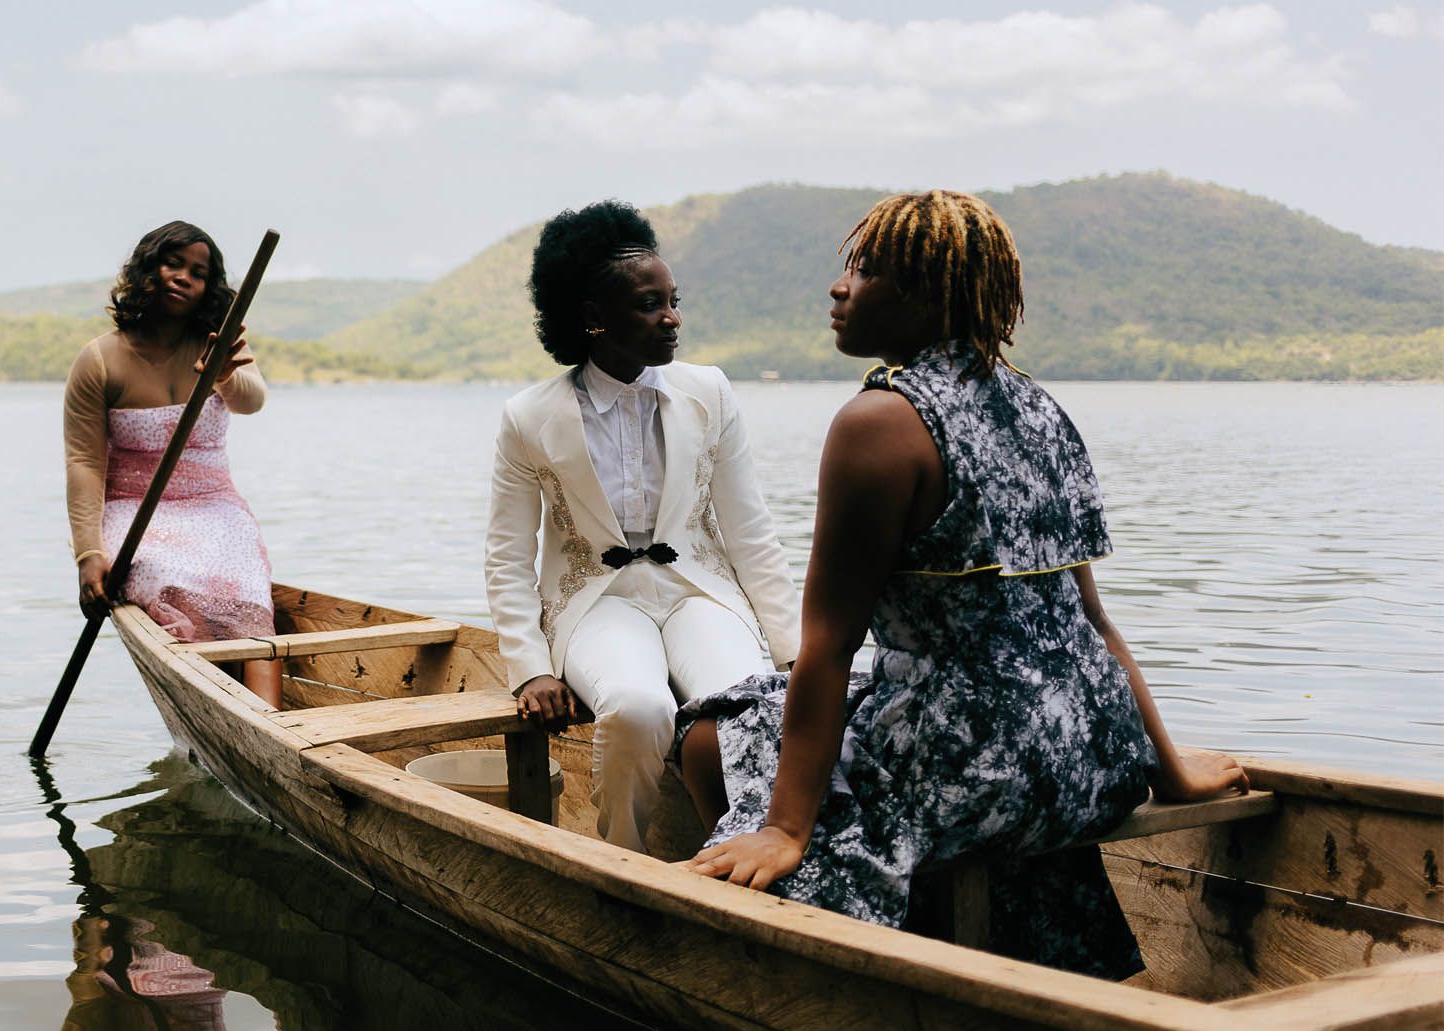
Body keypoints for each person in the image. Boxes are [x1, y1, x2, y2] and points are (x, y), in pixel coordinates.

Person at [677, 190, 1248, 978]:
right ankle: (958, 940)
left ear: (929, 295)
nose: (840, 286)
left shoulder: (878, 421)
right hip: (1095, 756)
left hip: (976, 765)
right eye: (848, 267)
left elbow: (829, 645)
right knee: (812, 713)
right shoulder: (1040, 409)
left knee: (713, 732)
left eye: (868, 271)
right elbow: (1092, 621)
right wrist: (1170, 771)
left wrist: (785, 828)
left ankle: (782, 961)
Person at [485, 200, 803, 854]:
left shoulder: (709, 393)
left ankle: (746, 857)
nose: (672, 317)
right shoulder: (528, 417)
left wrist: (794, 651)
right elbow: (508, 556)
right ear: (594, 320)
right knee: (637, 707)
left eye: (673, 299)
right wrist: (530, 670)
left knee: (741, 703)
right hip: (594, 604)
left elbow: (752, 533)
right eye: (649, 304)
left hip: (701, 594)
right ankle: (623, 860)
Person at [64, 220, 281, 707]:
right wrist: (88, 555)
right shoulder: (99, 360)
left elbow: (252, 402)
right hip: (134, 511)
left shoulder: (219, 340)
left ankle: (272, 723)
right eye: (173, 263)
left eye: (198, 272)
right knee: (165, 572)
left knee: (242, 575)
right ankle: (212, 705)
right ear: (147, 269)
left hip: (214, 506)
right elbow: (83, 462)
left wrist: (225, 372)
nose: (184, 276)